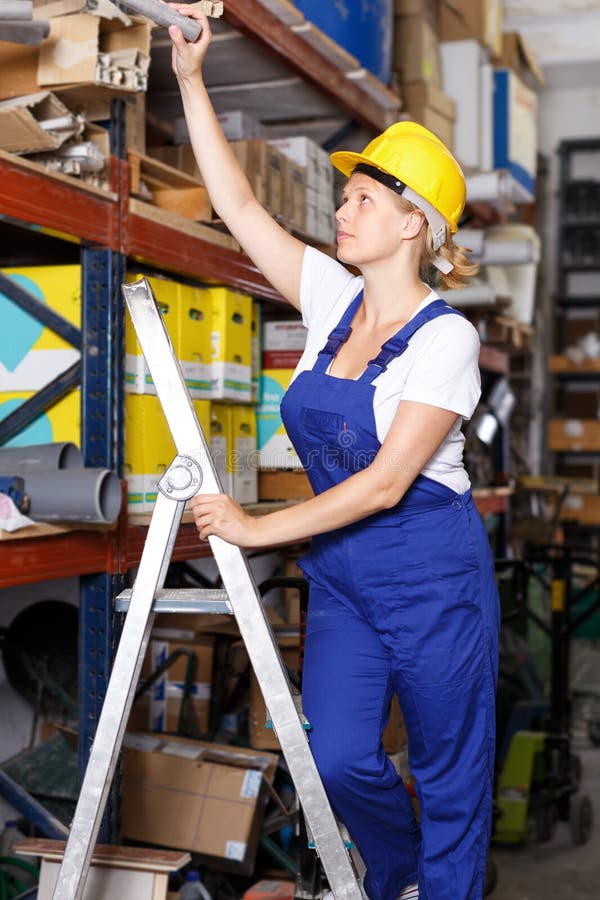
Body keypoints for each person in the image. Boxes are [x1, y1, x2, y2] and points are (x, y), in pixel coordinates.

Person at [169, 8, 501, 899]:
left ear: (413, 227)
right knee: (343, 757)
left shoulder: (447, 342)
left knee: (451, 778)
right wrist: (192, 79)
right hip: (346, 577)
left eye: (363, 199)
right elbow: (238, 206)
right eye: (346, 195)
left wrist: (257, 526)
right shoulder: (330, 300)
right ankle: (399, 876)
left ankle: (448, 886)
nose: (343, 207)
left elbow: (390, 482)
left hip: (432, 579)